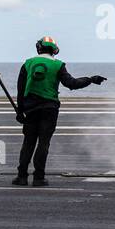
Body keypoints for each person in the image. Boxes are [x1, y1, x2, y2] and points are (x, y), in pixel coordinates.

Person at [13, 36, 106, 187]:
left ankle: (21, 177)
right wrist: (91, 79)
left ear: (39, 48)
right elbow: (72, 84)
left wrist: (20, 111)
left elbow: (20, 89)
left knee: (28, 143)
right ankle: (39, 178)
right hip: (50, 109)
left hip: (30, 109)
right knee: (44, 143)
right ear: (54, 50)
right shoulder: (58, 65)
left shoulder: (28, 64)